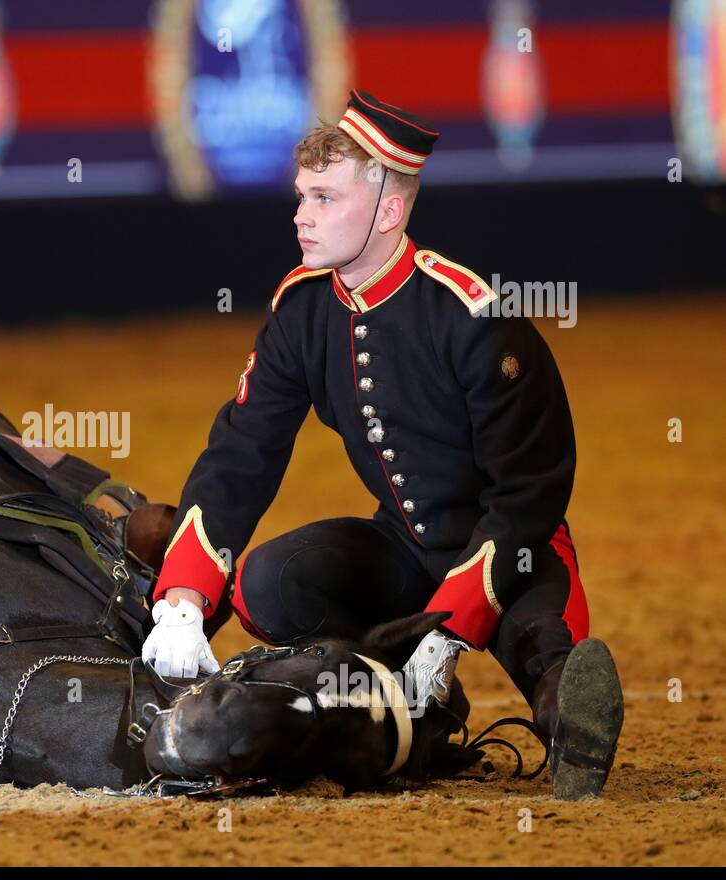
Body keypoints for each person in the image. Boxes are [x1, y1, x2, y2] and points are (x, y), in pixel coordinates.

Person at [141, 90, 623, 800]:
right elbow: (243, 451)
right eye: (302, 195)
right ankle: (400, 705)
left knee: (547, 659)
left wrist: (454, 626)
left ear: (388, 211)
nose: (301, 216)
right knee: (271, 583)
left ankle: (562, 715)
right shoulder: (302, 309)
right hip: (400, 544)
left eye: (325, 198)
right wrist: (183, 595)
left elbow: (528, 493)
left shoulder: (475, 319)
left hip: (509, 549)